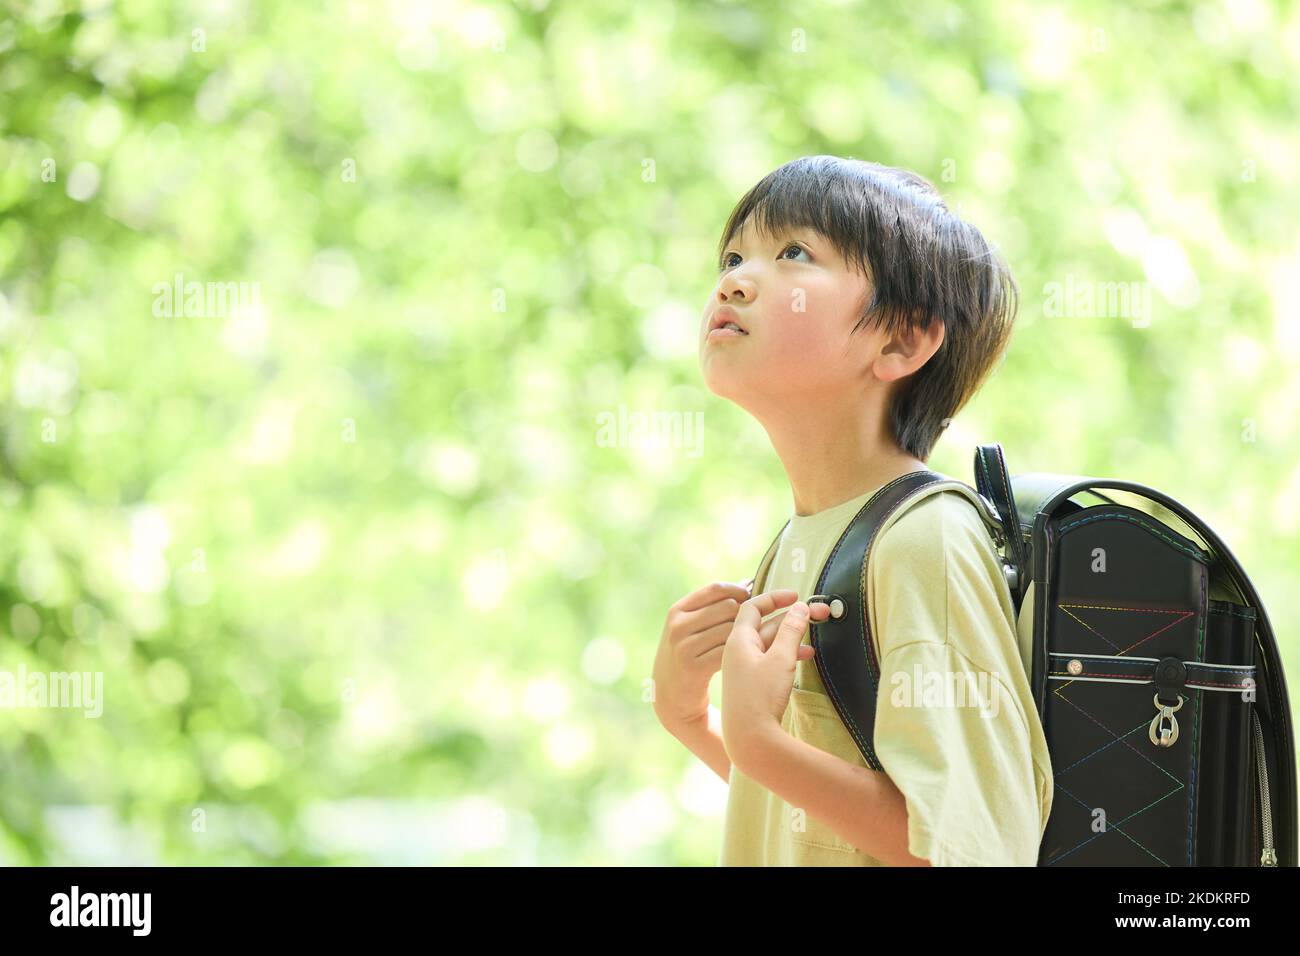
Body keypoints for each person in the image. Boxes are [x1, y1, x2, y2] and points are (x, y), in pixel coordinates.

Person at [651, 155, 1052, 866]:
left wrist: (758, 740)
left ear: (902, 339)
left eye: (794, 253)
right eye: (734, 255)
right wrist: (691, 720)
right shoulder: (808, 536)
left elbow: (968, 849)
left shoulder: (925, 542)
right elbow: (821, 824)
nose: (734, 280)